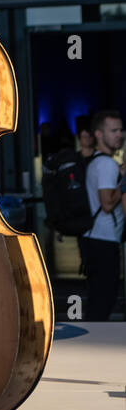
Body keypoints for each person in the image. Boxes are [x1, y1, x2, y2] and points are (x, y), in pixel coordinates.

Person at [79, 110, 124, 321]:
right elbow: (107, 204)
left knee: (99, 300)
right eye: (113, 130)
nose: (119, 135)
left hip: (96, 240)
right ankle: (93, 348)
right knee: (102, 302)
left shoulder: (97, 161)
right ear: (98, 134)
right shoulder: (106, 164)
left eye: (121, 130)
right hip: (103, 242)